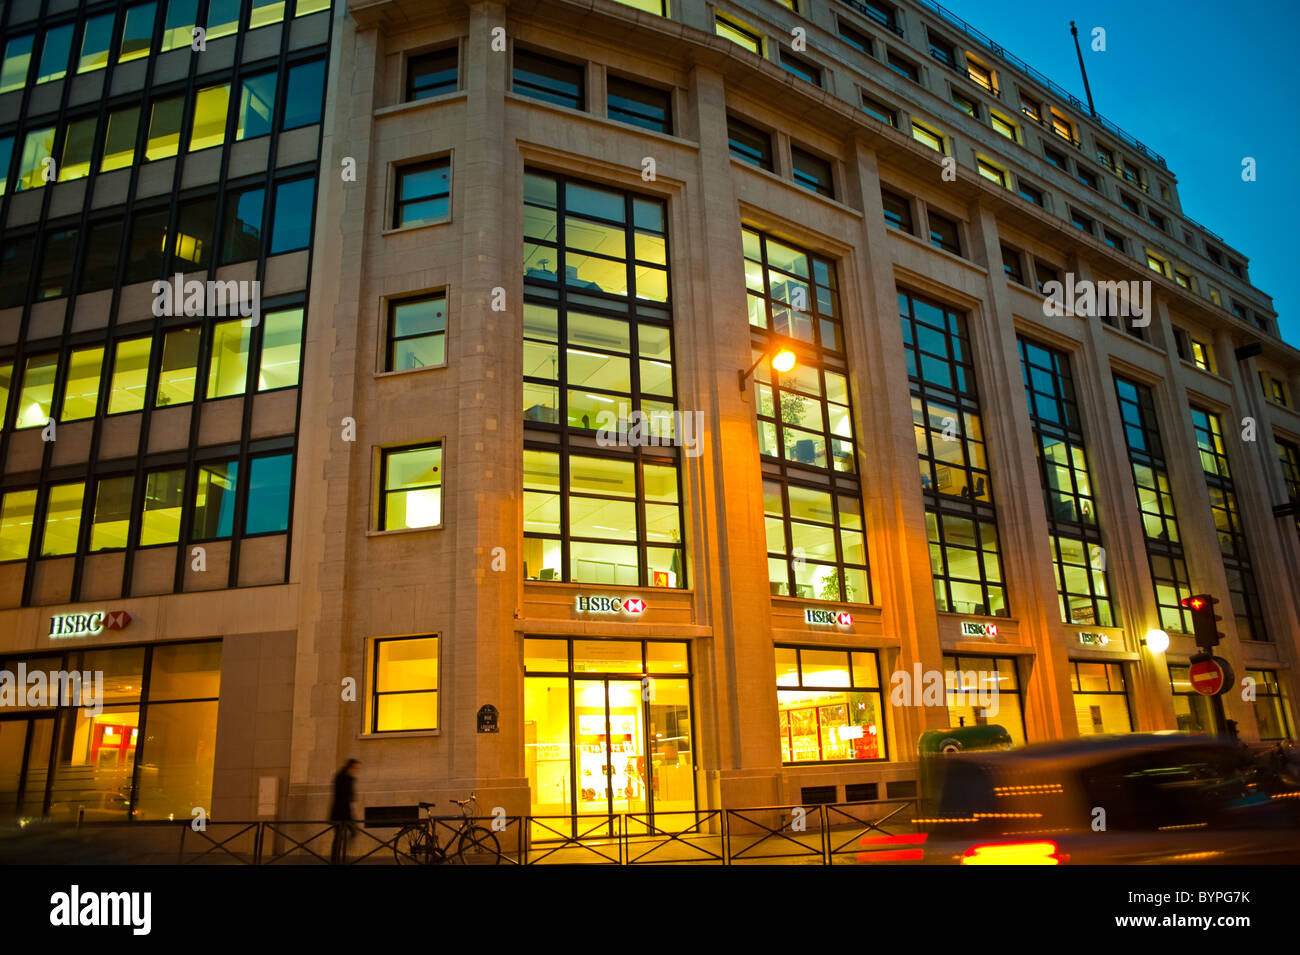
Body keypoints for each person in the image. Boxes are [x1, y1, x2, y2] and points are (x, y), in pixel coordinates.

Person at [330, 759, 359, 864]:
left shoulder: (343, 777)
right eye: (355, 768)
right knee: (340, 836)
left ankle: (338, 857)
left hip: (342, 812)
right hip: (341, 813)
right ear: (350, 767)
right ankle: (337, 858)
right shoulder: (344, 778)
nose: (356, 770)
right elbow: (345, 798)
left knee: (339, 837)